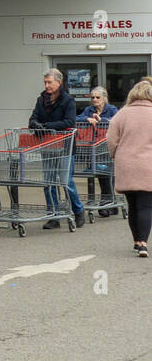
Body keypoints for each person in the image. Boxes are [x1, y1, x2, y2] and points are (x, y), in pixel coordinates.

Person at [30, 68, 85, 230]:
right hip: (48, 146)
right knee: (49, 182)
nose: (47, 86)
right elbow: (34, 116)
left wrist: (46, 126)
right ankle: (54, 215)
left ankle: (78, 210)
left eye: (49, 82)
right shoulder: (41, 100)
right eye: (45, 83)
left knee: (66, 181)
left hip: (65, 146)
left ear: (59, 83)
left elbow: (69, 121)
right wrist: (34, 124)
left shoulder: (68, 100)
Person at [106, 79, 152, 257]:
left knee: (132, 205)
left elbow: (111, 138)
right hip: (148, 165)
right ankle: (144, 244)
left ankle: (136, 241)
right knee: (146, 206)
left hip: (126, 164)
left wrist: (115, 154)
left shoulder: (122, 113)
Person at [77, 85, 119, 216]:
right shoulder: (88, 110)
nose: (95, 100)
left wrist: (103, 120)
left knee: (106, 173)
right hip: (93, 147)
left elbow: (117, 121)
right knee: (101, 174)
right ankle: (109, 204)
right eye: (93, 97)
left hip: (106, 146)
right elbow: (76, 119)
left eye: (98, 97)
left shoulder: (111, 109)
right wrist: (87, 119)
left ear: (104, 98)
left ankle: (107, 204)